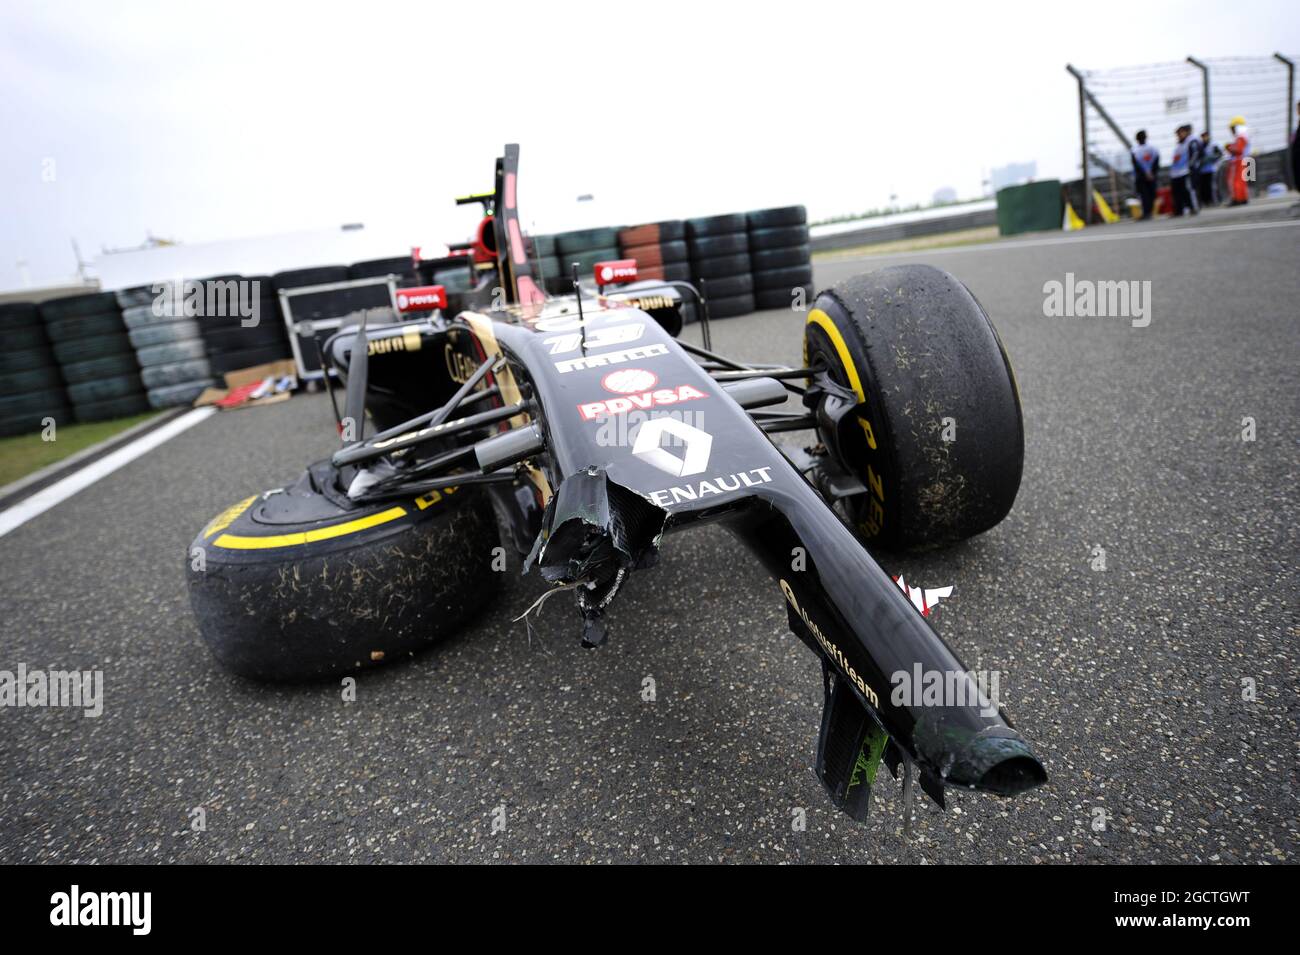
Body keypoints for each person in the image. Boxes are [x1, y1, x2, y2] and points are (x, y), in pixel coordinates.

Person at [1131, 130, 1159, 219]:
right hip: (1147, 176)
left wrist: (1147, 173)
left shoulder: (1135, 150)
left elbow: (1136, 164)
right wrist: (1151, 173)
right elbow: (1156, 161)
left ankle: (1148, 212)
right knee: (1147, 195)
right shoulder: (1152, 148)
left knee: (1146, 195)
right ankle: (1147, 212)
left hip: (1142, 176)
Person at [1169, 125, 1196, 216]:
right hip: (1176, 173)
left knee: (1187, 191)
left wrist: (1191, 166)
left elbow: (1194, 155)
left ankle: (1192, 207)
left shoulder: (1189, 143)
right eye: (1178, 134)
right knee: (1176, 193)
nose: (1179, 135)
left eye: (1180, 133)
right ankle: (1178, 210)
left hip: (1185, 171)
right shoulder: (1178, 145)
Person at [1224, 115, 1251, 206]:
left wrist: (1229, 147)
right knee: (1242, 181)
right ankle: (1243, 198)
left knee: (1234, 181)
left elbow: (1238, 150)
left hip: (1238, 161)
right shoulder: (1244, 136)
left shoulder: (1241, 137)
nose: (1232, 130)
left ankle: (1236, 199)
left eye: (1233, 128)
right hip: (1244, 160)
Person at [1196, 131, 1223, 207]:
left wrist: (1212, 158)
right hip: (1203, 170)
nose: (1204, 138)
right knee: (1204, 187)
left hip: (1212, 168)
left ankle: (1215, 200)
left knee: (1213, 186)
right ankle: (1206, 201)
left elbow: (1219, 154)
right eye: (1203, 137)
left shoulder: (1213, 145)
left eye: (1206, 136)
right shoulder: (1200, 146)